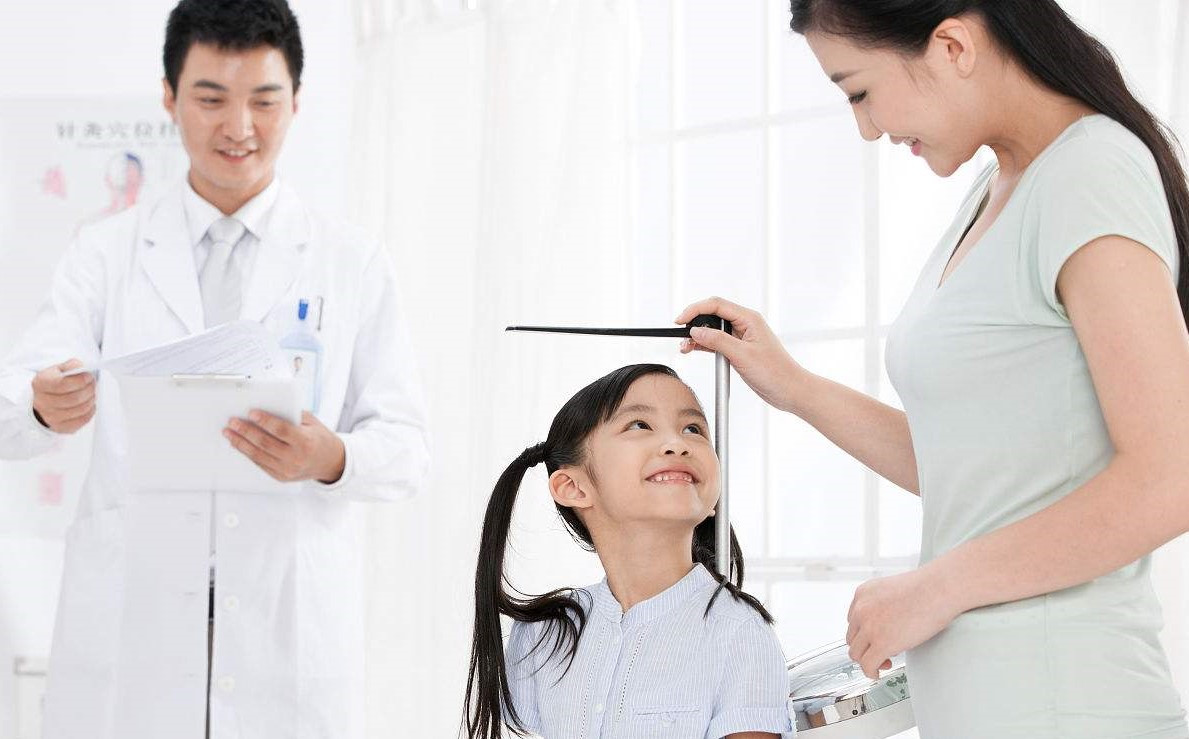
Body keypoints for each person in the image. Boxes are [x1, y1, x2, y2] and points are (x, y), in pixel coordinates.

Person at [678, 1, 1189, 737]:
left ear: (952, 45)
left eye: (859, 91)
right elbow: (975, 471)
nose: (866, 127)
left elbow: (1172, 478)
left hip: (1067, 707)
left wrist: (933, 589)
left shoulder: (1089, 172)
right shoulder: (1004, 185)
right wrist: (793, 387)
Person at [0, 1, 430, 737]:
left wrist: (332, 457)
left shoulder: (350, 260)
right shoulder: (104, 253)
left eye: (264, 100)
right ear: (170, 98)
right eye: (210, 99)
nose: (239, 127)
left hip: (282, 630)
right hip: (133, 626)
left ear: (297, 100)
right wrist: (43, 405)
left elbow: (408, 447)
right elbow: (15, 405)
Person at [464, 364, 793, 739]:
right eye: (640, 425)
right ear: (573, 487)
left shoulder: (739, 632)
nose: (678, 444)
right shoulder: (543, 635)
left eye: (693, 429)